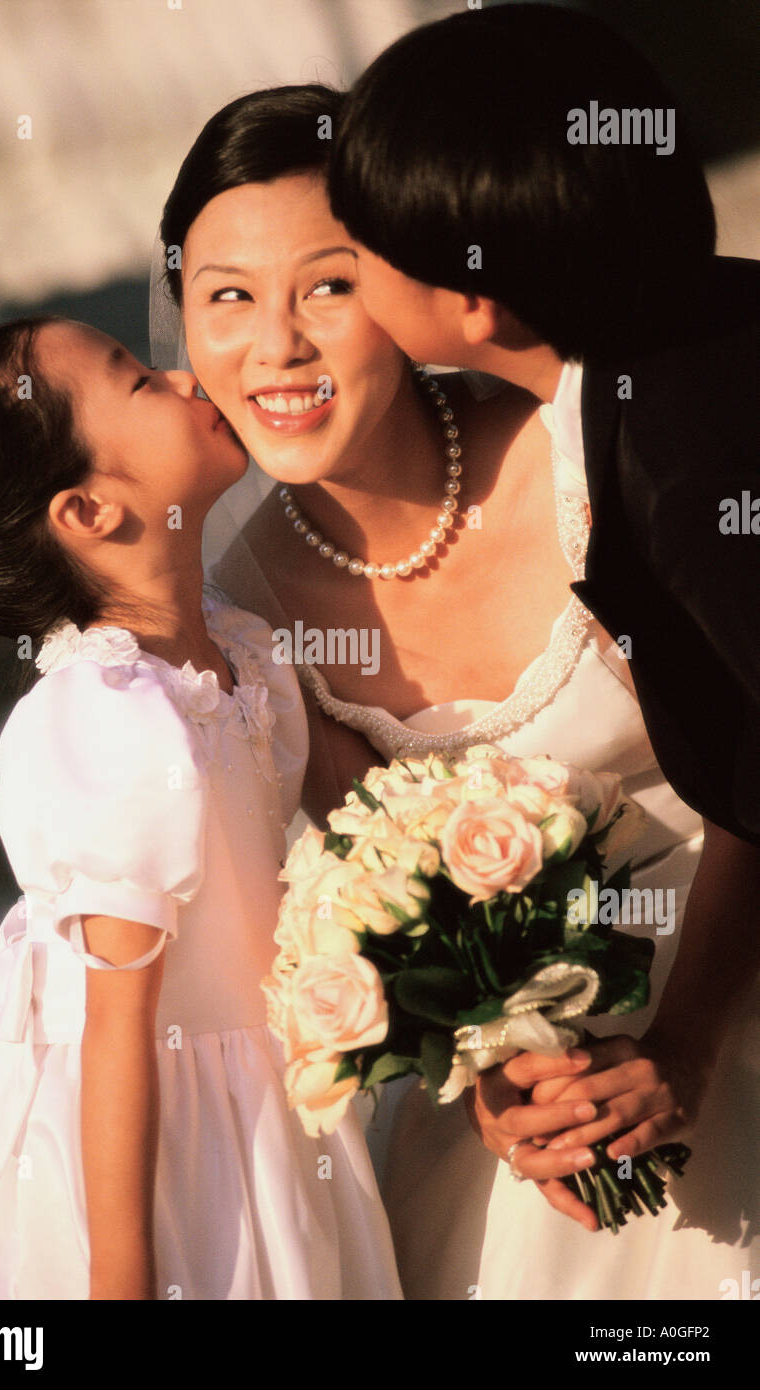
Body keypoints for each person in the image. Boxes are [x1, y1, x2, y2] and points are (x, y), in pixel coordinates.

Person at [151, 57, 759, 1298]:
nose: (277, 345)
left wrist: (685, 1044)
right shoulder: (248, 608)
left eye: (330, 284)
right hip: (554, 1074)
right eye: (227, 297)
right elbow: (390, 902)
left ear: (412, 278)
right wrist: (492, 1071)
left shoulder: (593, 442)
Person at [0, 316, 402, 1299]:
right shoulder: (106, 717)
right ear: (87, 511)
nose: (182, 374)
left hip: (259, 1102)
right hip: (158, 1145)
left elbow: (374, 821)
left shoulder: (241, 650)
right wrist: (119, 1275)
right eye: (137, 381)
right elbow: (117, 1025)